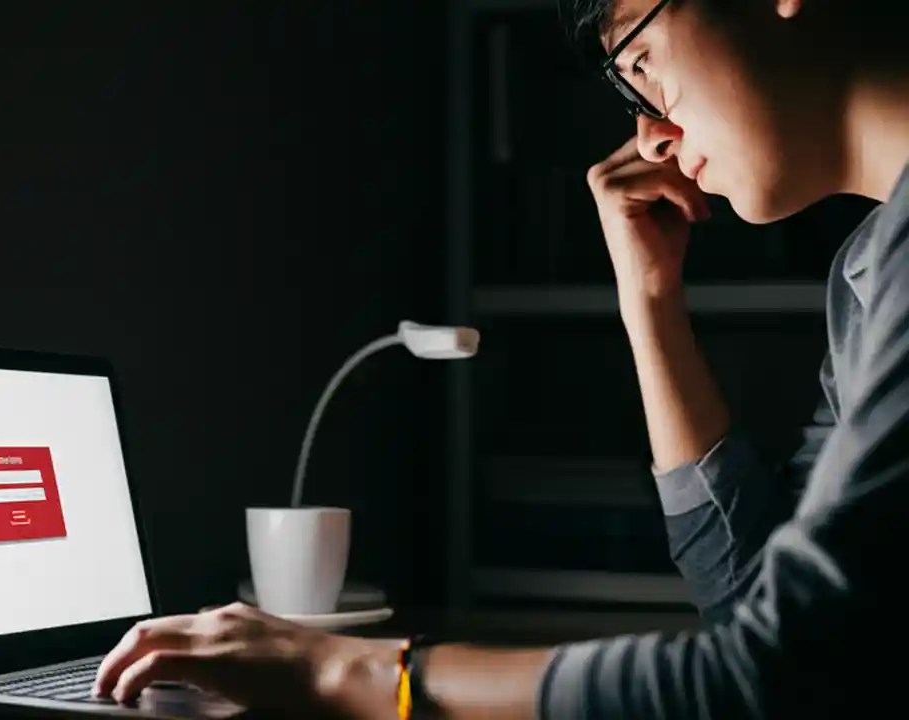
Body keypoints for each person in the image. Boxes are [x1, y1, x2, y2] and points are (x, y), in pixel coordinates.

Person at [93, 0, 909, 716]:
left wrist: (357, 673)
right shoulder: (869, 275)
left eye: (644, 63)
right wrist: (648, 301)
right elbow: (760, 609)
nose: (652, 135)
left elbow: (786, 674)